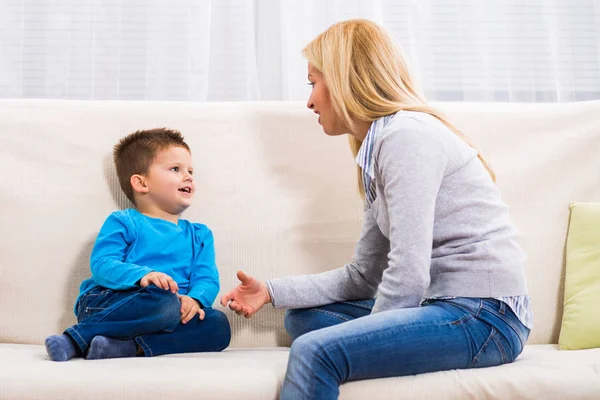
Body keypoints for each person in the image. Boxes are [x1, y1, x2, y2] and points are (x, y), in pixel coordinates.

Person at [221, 19, 532, 399]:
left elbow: (409, 271)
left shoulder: (406, 137)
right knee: (303, 319)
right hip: (444, 306)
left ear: (344, 80)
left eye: (313, 82)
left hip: (485, 316)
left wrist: (371, 339)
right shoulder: (376, 149)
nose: (309, 100)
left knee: (315, 349)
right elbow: (363, 276)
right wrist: (270, 291)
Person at [45, 128, 230, 361]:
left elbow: (207, 279)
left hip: (171, 315)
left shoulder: (200, 235)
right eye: (176, 169)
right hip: (113, 304)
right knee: (163, 301)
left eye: (190, 171)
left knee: (218, 325)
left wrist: (194, 300)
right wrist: (144, 276)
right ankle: (75, 339)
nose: (188, 176)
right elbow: (102, 265)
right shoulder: (124, 221)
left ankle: (127, 348)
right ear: (141, 183)